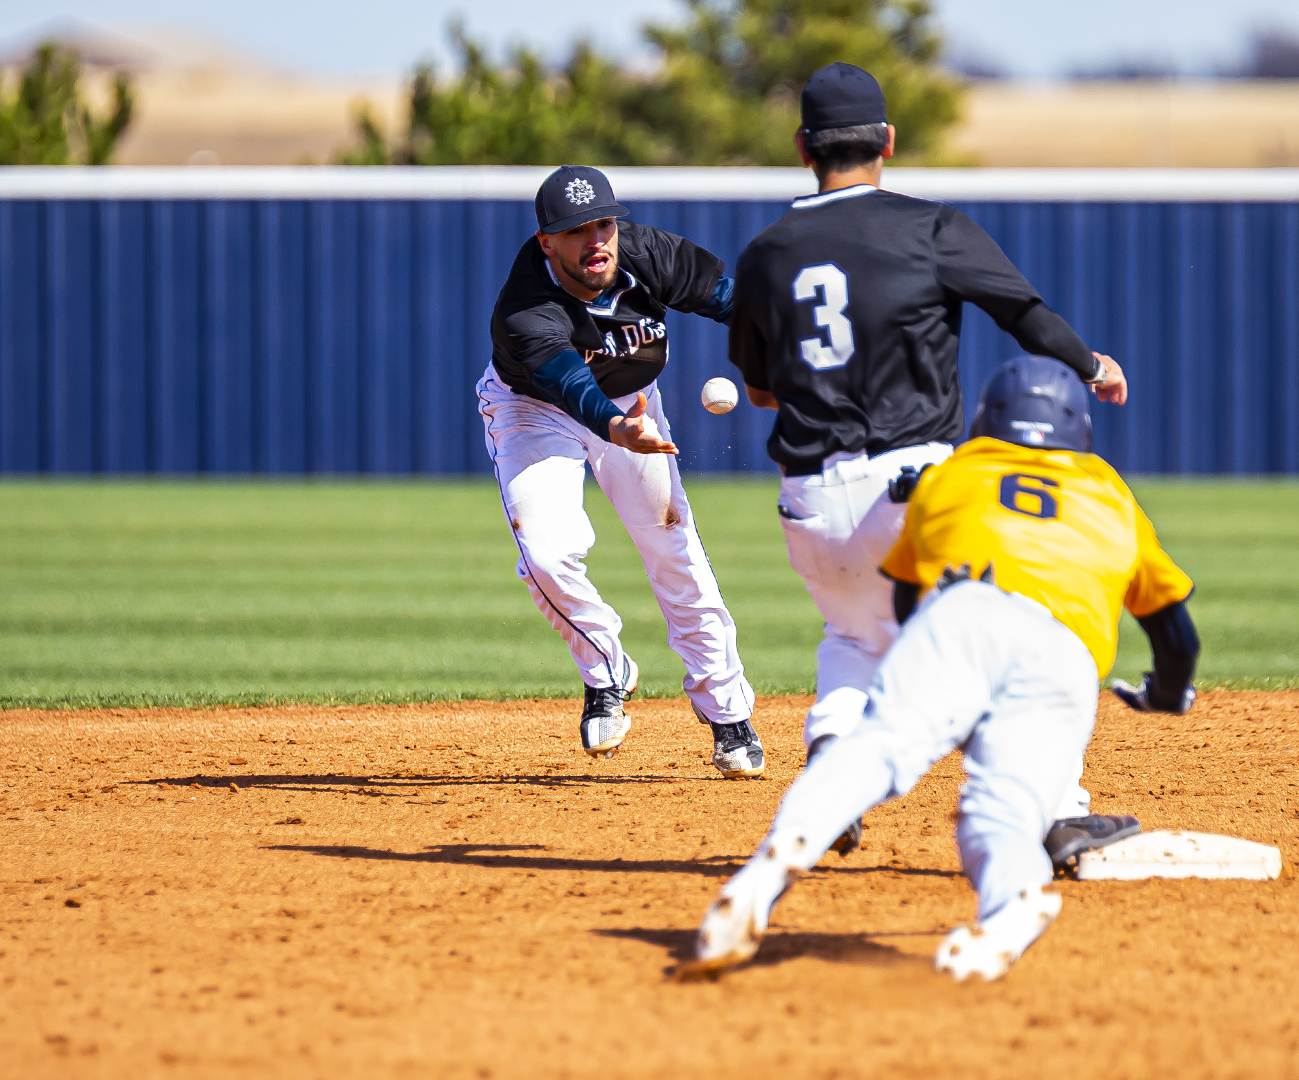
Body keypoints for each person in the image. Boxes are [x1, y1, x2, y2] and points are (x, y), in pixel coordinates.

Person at [684, 356, 1201, 983]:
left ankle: (770, 869)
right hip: (1066, 655)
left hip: (966, 612)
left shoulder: (952, 472)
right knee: (1003, 813)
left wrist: (942, 683)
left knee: (877, 749)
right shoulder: (1112, 495)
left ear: (988, 417)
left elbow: (905, 597)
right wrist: (1167, 692)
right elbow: (1175, 632)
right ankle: (1015, 900)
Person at [726, 63, 1129, 845]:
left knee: (852, 637)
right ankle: (1051, 812)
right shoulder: (931, 228)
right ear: (888, 140)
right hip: (914, 493)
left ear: (804, 147)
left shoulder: (767, 252)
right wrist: (1090, 364)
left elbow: (763, 389)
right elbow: (1022, 311)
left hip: (807, 502)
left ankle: (836, 756)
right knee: (1005, 640)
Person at [479, 165, 763, 779]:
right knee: (547, 556)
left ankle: (729, 716)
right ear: (545, 242)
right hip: (535, 409)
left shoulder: (644, 253)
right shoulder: (524, 307)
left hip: (635, 403)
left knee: (672, 546)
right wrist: (615, 429)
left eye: (603, 222)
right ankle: (607, 666)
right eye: (575, 230)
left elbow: (734, 300)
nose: (595, 240)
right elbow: (569, 385)